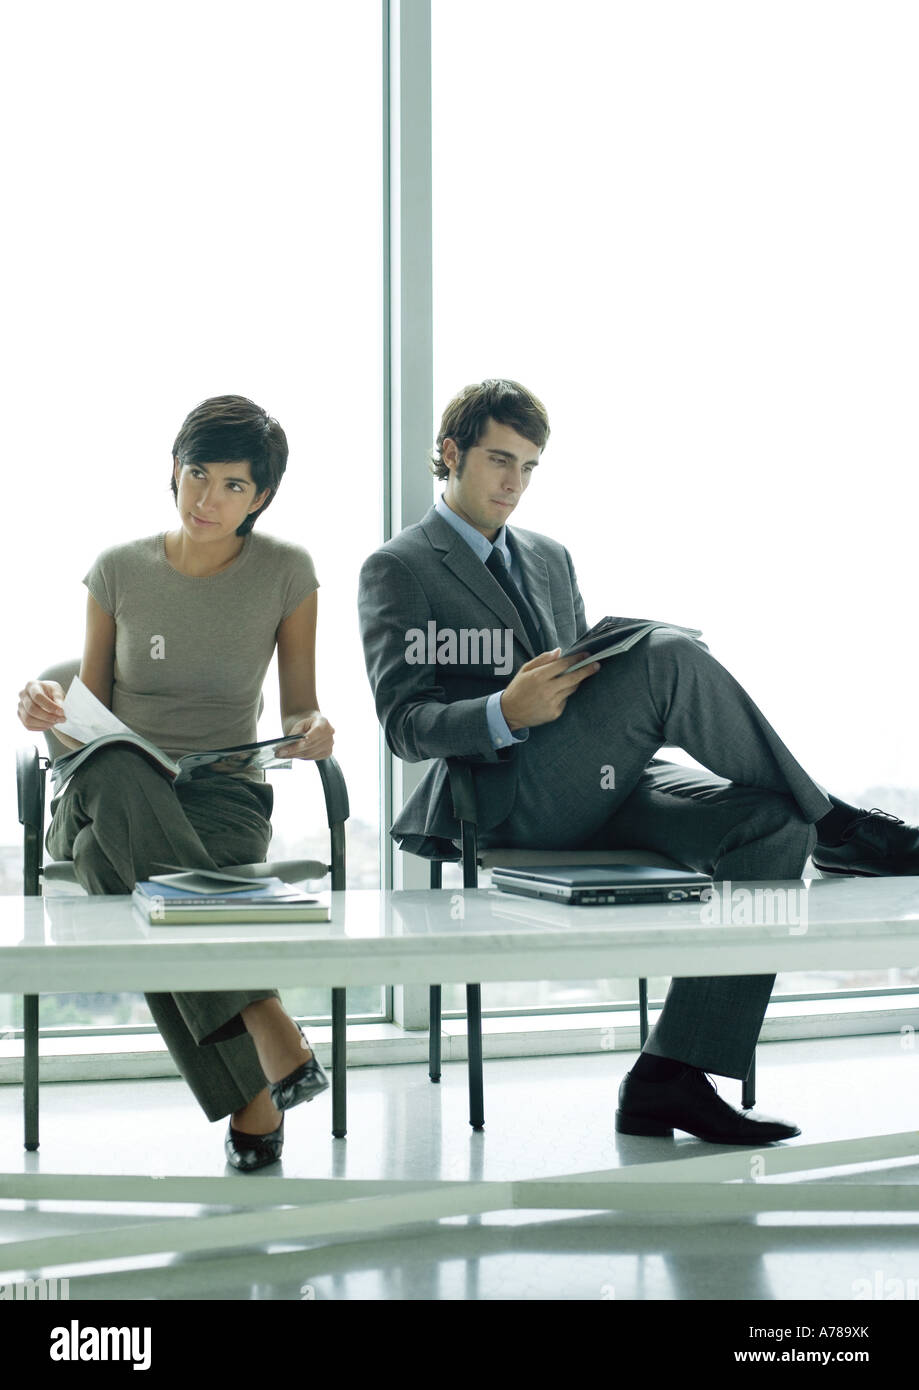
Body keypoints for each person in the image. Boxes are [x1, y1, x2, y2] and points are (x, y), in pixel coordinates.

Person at [358, 377, 919, 1145]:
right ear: (450, 454)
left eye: (527, 466)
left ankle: (669, 1077)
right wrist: (501, 712)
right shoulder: (400, 567)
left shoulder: (549, 557)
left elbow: (586, 689)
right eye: (497, 461)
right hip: (506, 794)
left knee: (770, 824)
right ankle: (845, 827)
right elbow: (403, 723)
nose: (514, 483)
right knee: (665, 654)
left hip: (601, 784)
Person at [17, 395, 335, 1172]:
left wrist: (313, 728)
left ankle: (251, 1097)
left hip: (223, 795)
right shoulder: (118, 569)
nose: (206, 499)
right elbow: (90, 716)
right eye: (197, 474)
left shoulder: (287, 573)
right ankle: (262, 1014)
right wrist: (40, 704)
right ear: (173, 469)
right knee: (124, 776)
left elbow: (299, 704)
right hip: (112, 784)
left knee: (113, 872)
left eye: (232, 485)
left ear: (260, 497)